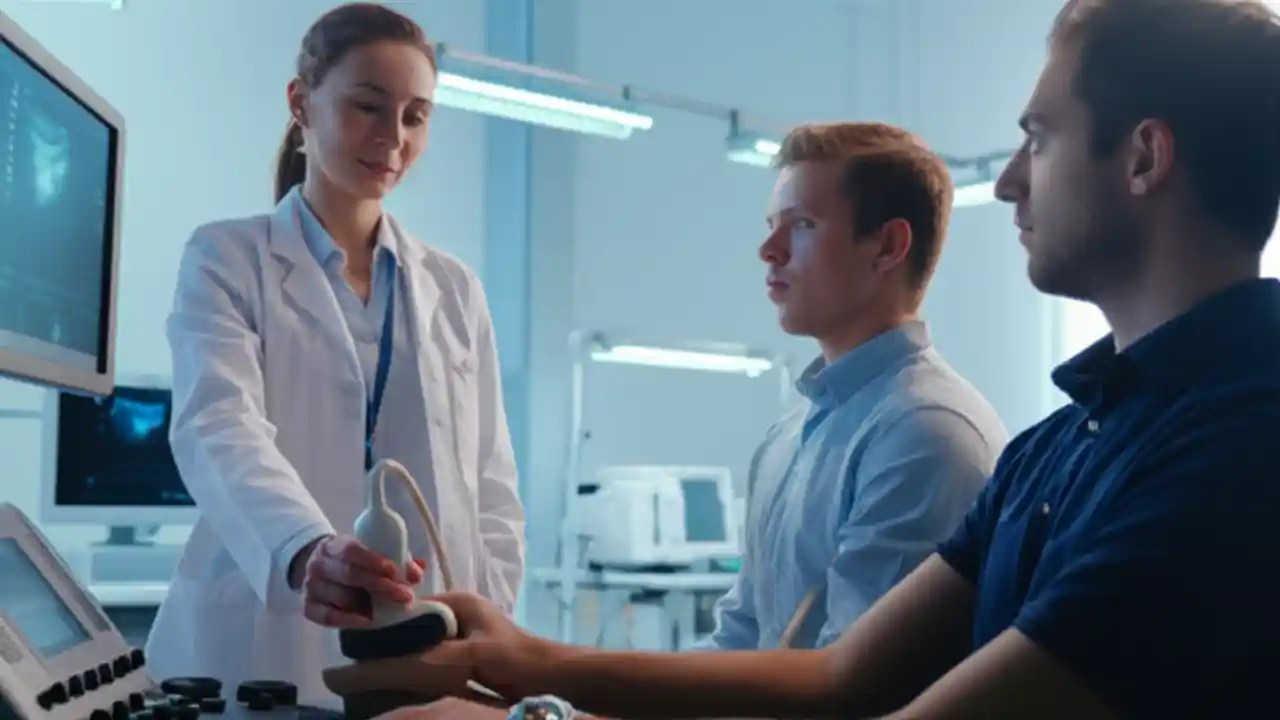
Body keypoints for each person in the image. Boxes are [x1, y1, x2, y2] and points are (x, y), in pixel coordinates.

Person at [322, 0, 1280, 718]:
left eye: (1038, 136)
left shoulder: (1239, 441)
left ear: (1144, 157)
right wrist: (527, 665)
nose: (1016, 178)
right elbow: (836, 673)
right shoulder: (1058, 447)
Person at [145, 2, 525, 710]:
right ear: (301, 103)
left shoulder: (453, 287)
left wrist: (490, 619)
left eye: (416, 116)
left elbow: (491, 485)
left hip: (428, 648)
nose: (393, 138)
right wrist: (306, 549)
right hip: (264, 636)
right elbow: (217, 426)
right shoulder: (228, 256)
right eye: (368, 107)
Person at [695, 121, 1006, 652]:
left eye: (802, 225)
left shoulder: (926, 434)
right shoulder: (791, 435)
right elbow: (740, 640)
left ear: (887, 246)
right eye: (773, 225)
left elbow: (855, 689)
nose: (768, 250)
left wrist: (560, 668)